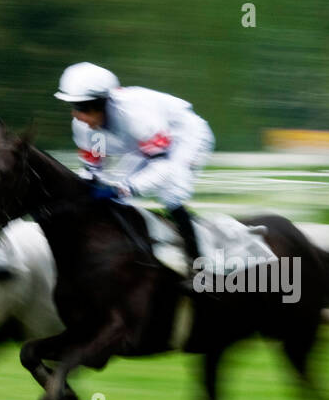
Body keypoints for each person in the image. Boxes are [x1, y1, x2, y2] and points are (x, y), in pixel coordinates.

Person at [53, 62, 214, 272]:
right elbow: (93, 170)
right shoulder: (88, 127)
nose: (77, 115)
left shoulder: (136, 116)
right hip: (144, 145)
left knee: (170, 193)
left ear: (104, 103)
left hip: (185, 135)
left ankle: (197, 264)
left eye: (83, 107)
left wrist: (121, 188)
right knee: (114, 192)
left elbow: (163, 168)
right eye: (74, 107)